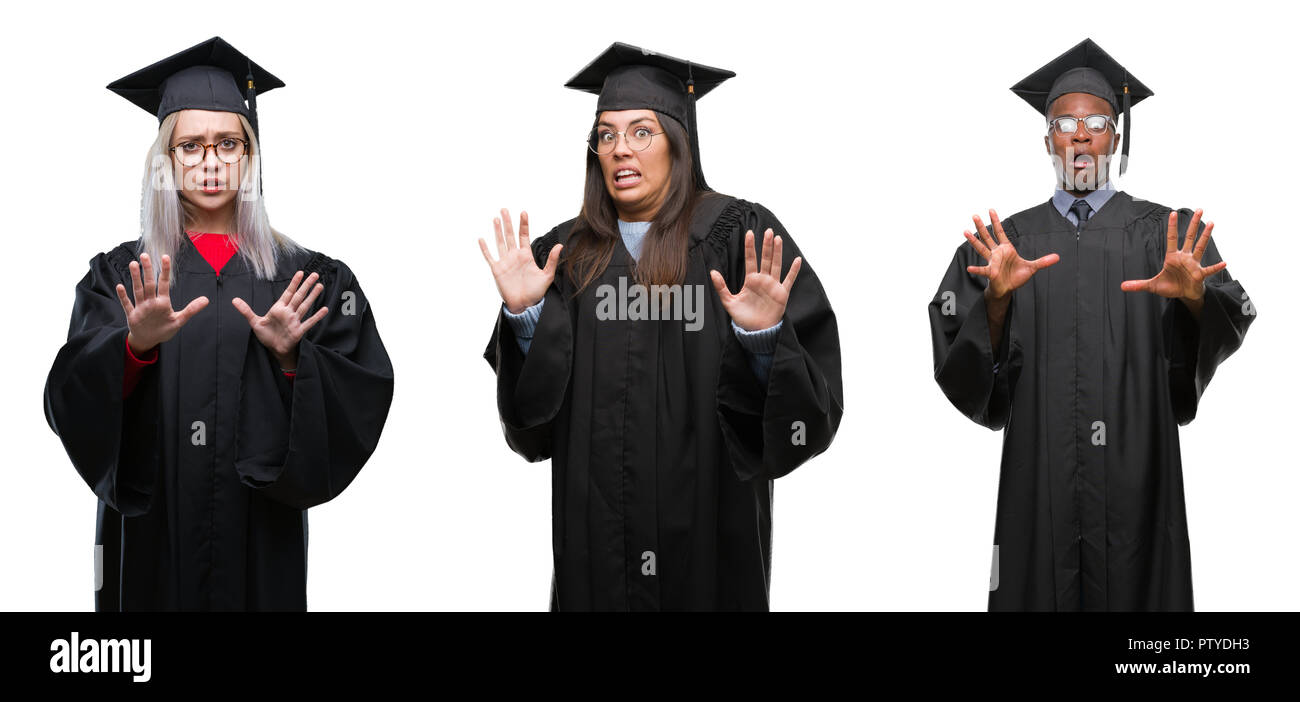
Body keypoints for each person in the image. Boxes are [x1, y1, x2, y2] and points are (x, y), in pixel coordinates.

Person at [479, 43, 843, 611]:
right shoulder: (564, 257)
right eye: (606, 134)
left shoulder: (738, 239)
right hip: (596, 558)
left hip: (708, 549)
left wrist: (764, 340)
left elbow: (806, 425)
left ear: (679, 141)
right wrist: (527, 321)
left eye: (641, 131)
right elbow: (531, 435)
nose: (621, 148)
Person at [43, 37, 394, 611]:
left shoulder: (306, 278)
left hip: (262, 545)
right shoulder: (122, 276)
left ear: (251, 156)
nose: (210, 162)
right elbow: (68, 402)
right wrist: (133, 347)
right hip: (152, 542)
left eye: (228, 144)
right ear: (166, 160)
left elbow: (362, 396)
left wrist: (292, 361)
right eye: (190, 146)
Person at [928, 39, 1255, 611]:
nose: (1080, 134)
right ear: (1047, 139)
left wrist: (1198, 298)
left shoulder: (1167, 235)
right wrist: (997, 301)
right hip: (1040, 482)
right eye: (1064, 122)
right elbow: (960, 362)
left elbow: (1238, 311)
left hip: (1139, 475)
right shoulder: (1006, 244)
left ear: (1117, 135)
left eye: (1096, 120)